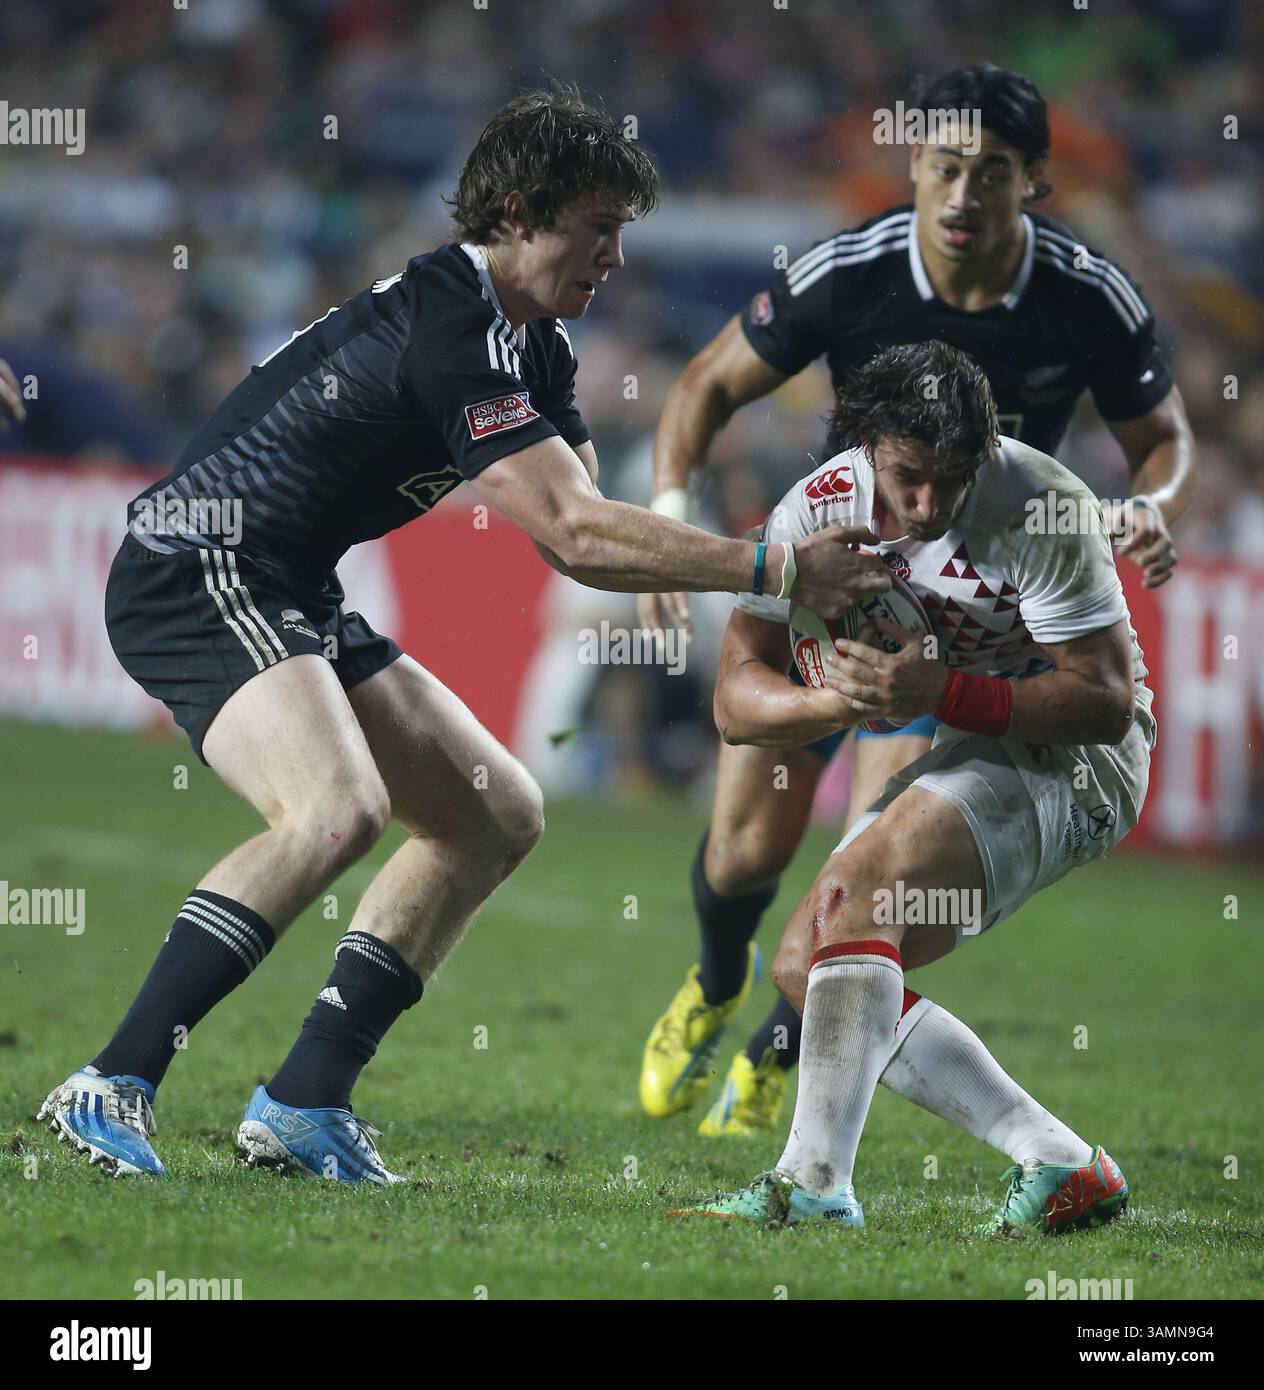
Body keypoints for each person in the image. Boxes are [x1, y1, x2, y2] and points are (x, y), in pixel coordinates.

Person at [35, 85, 889, 1184]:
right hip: (196, 566)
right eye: (599, 227)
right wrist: (770, 566)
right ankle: (111, 1078)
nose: (616, 259)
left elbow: (584, 518)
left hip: (288, 580)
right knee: (334, 811)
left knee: (493, 812)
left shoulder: (533, 345)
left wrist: (676, 549)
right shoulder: (454, 327)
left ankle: (303, 1101)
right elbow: (578, 533)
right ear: (521, 212)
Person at [638, 64, 1196, 1138]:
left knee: (864, 871)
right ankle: (715, 980)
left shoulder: (1086, 295)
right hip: (841, 587)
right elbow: (705, 385)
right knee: (744, 850)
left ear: (1033, 180)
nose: (960, 195)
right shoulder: (849, 270)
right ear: (913, 164)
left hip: (981, 624)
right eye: (943, 167)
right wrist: (673, 520)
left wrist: (1152, 503)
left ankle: (779, 1045)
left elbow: (1163, 437)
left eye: (990, 172)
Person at [669, 340, 1147, 1233]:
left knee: (858, 898)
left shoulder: (1040, 505)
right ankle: (1060, 1161)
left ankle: (811, 1186)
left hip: (1075, 759)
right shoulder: (817, 509)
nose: (928, 504)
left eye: (953, 476)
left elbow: (1107, 703)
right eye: (908, 477)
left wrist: (943, 693)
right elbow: (736, 700)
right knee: (805, 963)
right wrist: (829, 699)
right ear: (864, 447)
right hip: (973, 735)